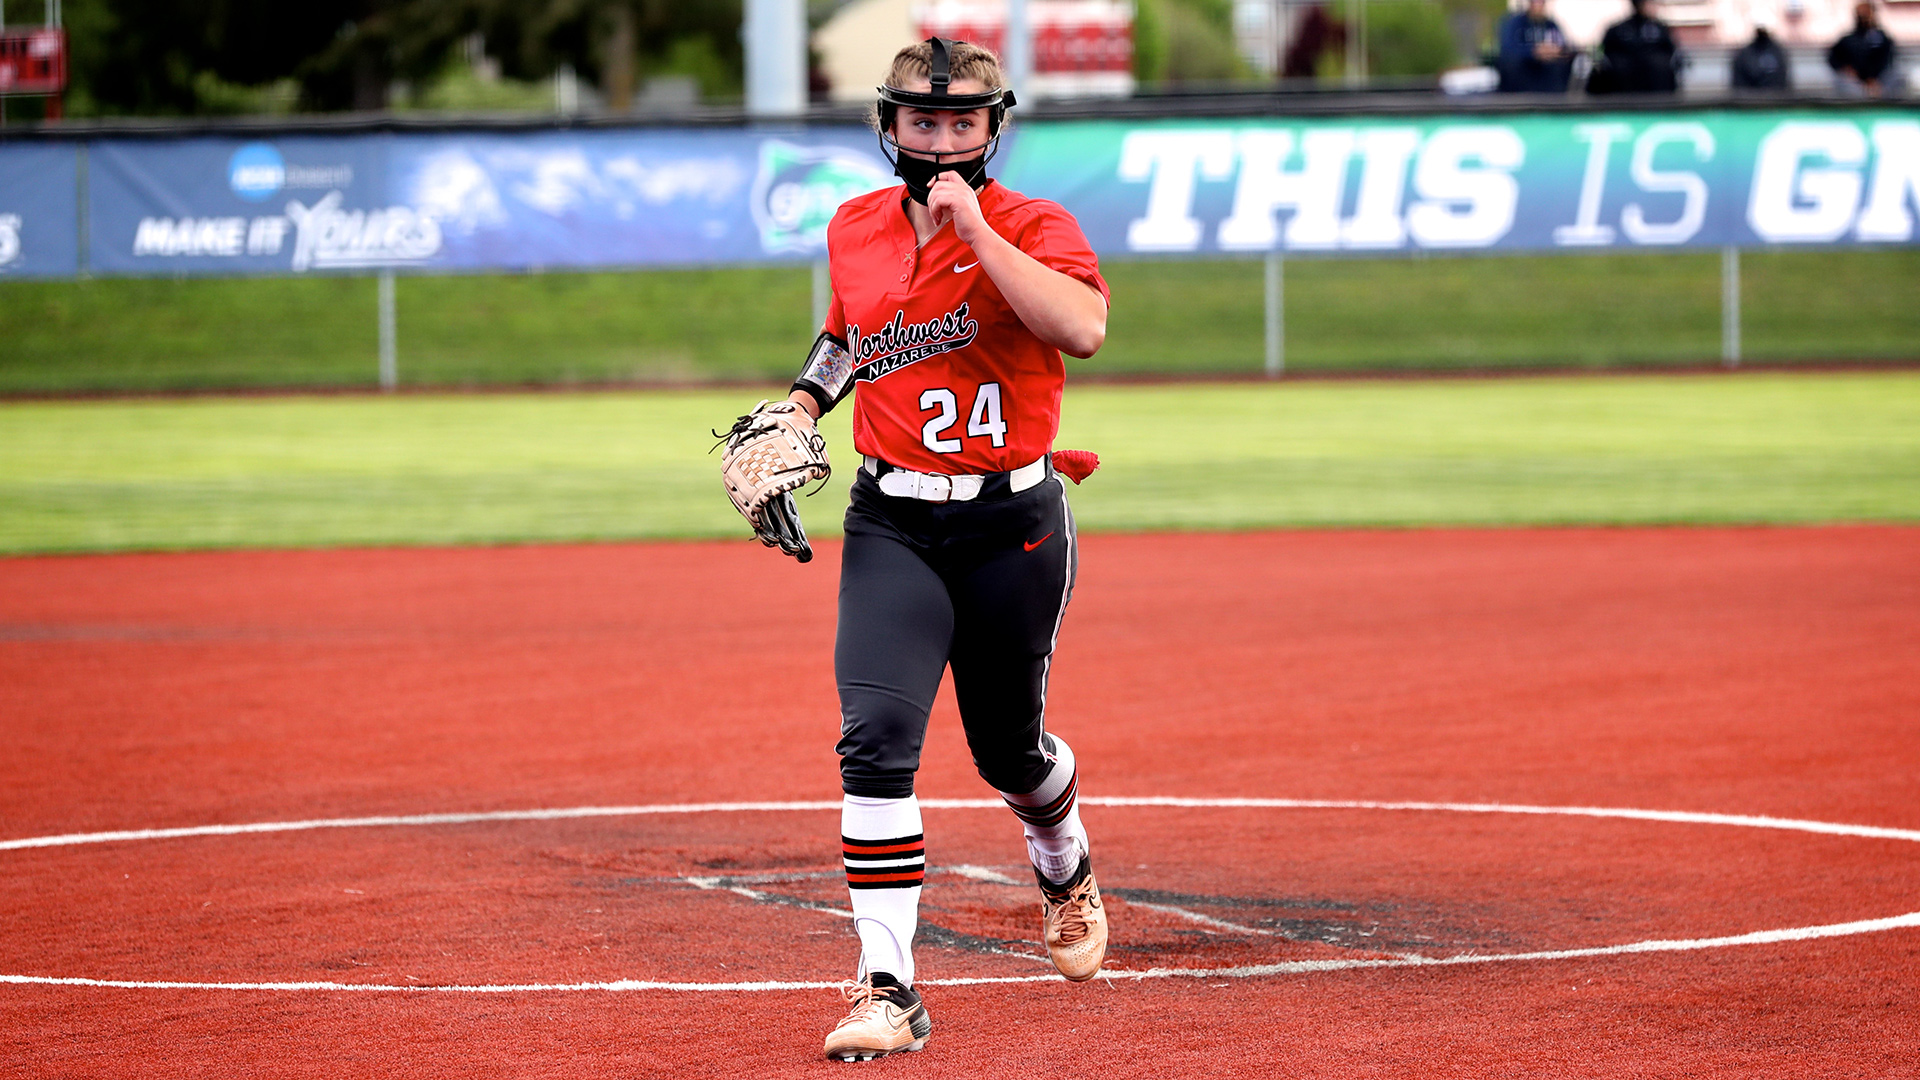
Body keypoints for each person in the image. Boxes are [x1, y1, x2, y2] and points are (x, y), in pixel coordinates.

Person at [744, 37, 1112, 1062]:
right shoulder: (856, 224)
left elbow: (1079, 328)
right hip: (893, 521)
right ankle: (888, 987)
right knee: (875, 738)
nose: (942, 140)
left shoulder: (1037, 224)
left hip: (1013, 522)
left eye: (963, 122)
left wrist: (980, 232)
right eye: (923, 121)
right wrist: (805, 402)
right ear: (888, 128)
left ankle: (1061, 854)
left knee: (1010, 751)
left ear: (997, 127)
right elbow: (850, 331)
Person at [1589, 0, 1680, 93]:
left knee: (1659, 65)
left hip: (1654, 81)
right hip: (1624, 78)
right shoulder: (1619, 29)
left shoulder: (1659, 28)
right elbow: (1606, 51)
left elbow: (1669, 50)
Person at [1497, 0, 1576, 92]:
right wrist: (1534, 52)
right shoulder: (1516, 23)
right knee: (1511, 63)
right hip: (1522, 74)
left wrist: (1554, 52)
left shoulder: (1551, 25)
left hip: (1546, 74)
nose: (1538, 5)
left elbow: (1563, 46)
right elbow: (1508, 48)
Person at [1829, 2, 1897, 97]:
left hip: (1879, 80)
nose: (1864, 17)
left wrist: (1873, 78)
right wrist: (1846, 70)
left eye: (1866, 14)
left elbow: (1887, 60)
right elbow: (1834, 58)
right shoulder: (1848, 40)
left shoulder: (1882, 38)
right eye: (1861, 15)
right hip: (1854, 81)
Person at [1731, 24, 1793, 90]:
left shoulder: (1778, 52)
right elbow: (1739, 81)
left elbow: (1782, 78)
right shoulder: (1744, 54)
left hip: (1774, 96)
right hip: (1750, 96)